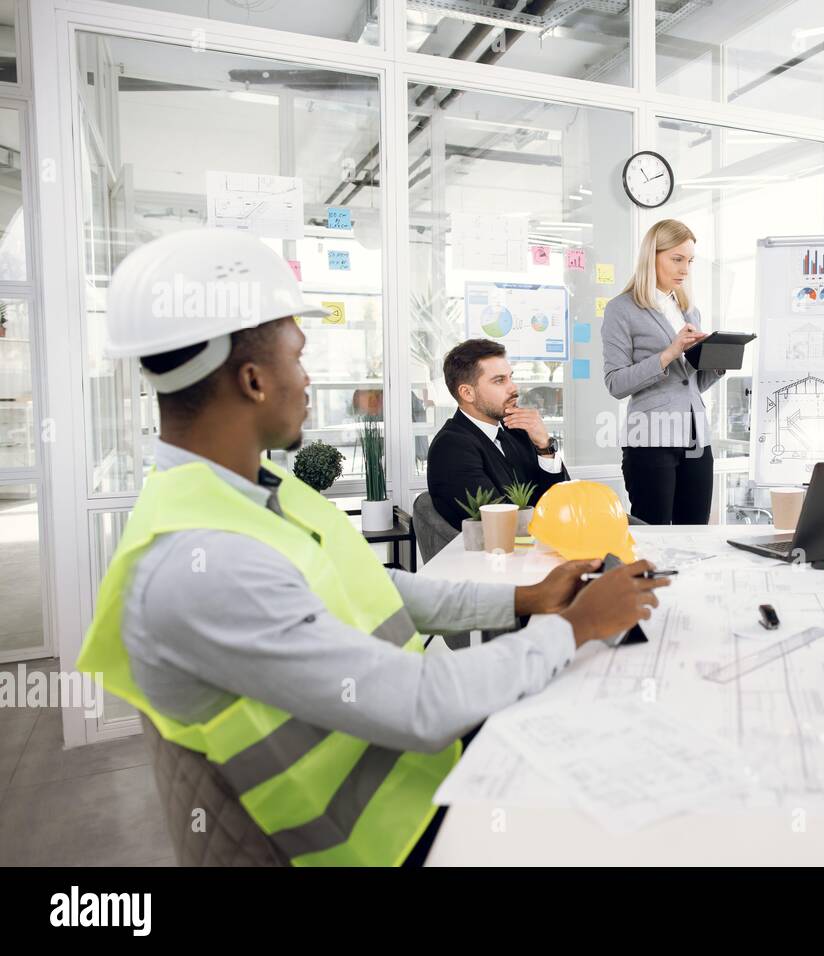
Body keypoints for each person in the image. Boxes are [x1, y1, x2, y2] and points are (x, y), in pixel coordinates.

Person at [77, 229, 669, 866]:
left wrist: (525, 597)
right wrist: (575, 627)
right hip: (384, 838)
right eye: (298, 359)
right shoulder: (201, 560)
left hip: (423, 770)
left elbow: (374, 588)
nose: (309, 381)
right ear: (253, 379)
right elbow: (419, 701)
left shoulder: (248, 487)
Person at [602, 219, 724, 524]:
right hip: (650, 440)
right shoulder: (622, 309)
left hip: (696, 439)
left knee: (695, 534)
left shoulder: (688, 310)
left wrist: (717, 361)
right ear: (652, 256)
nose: (685, 269)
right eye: (677, 259)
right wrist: (670, 352)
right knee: (653, 535)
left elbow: (688, 384)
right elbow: (615, 382)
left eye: (690, 261)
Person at [427, 338, 569, 531]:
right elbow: (500, 523)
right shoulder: (451, 448)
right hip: (496, 557)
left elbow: (564, 502)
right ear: (467, 393)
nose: (514, 388)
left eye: (511, 377)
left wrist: (544, 447)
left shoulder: (516, 430)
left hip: (541, 548)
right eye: (499, 380)